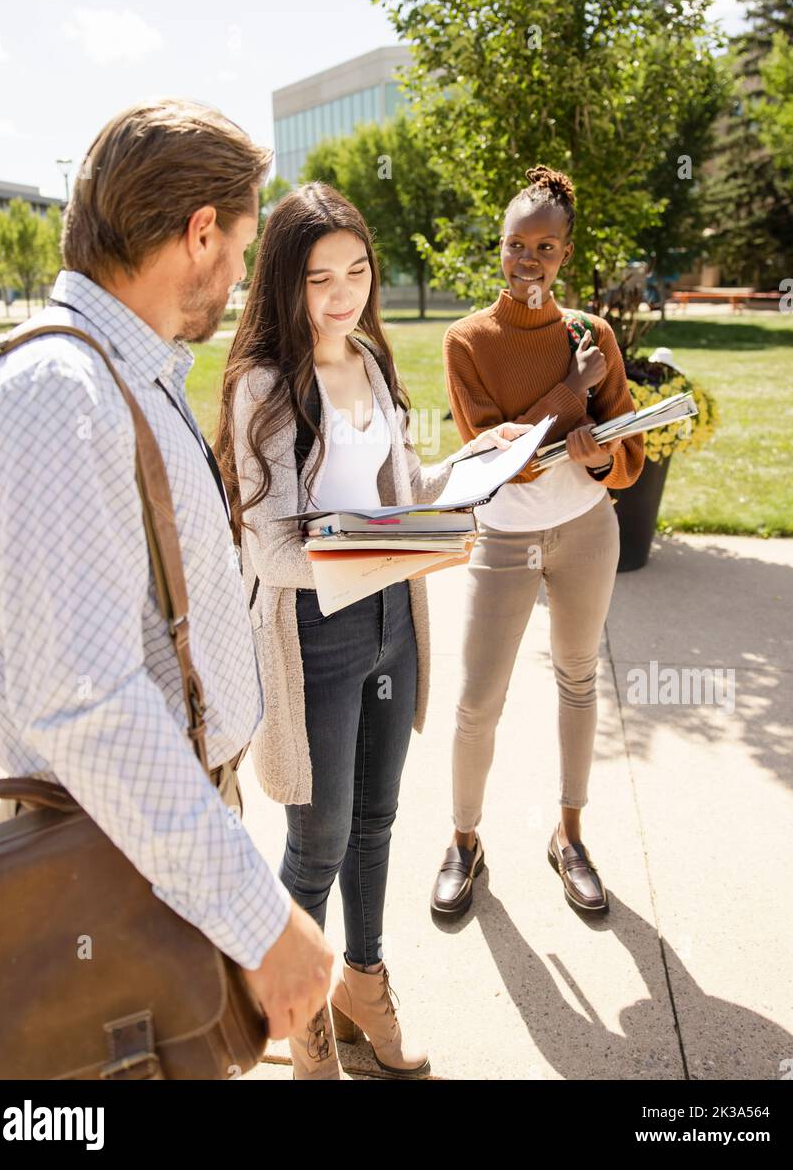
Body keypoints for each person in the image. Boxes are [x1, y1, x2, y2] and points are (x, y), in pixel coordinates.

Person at [0, 98, 332, 1055]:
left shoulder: (122, 373)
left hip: (151, 837)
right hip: (109, 854)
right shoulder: (57, 394)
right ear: (199, 232)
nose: (245, 275)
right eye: (243, 245)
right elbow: (83, 704)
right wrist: (260, 917)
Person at [214, 182, 529, 1079]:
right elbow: (269, 549)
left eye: (357, 272)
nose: (343, 293)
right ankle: (291, 1010)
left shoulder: (374, 363)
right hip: (316, 632)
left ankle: (363, 983)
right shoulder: (266, 387)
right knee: (315, 843)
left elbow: (406, 491)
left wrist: (480, 461)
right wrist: (363, 551)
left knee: (378, 821)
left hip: (393, 620)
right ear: (284, 283)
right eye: (321, 278)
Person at [431, 164, 645, 921]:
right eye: (515, 245)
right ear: (500, 247)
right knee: (476, 702)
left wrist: (600, 457)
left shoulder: (593, 335)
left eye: (545, 247)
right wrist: (566, 395)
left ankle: (570, 836)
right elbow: (496, 461)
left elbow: (627, 454)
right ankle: (463, 842)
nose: (528, 260)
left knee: (578, 679)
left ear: (564, 254)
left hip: (586, 529)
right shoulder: (467, 342)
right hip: (505, 540)